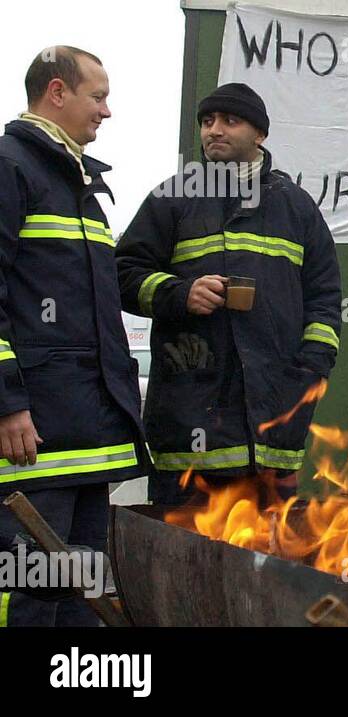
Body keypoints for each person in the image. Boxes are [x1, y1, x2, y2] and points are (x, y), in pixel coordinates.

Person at [117, 83, 342, 506]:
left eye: (229, 121)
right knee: (182, 562)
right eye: (207, 121)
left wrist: (309, 373)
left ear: (259, 135)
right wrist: (179, 294)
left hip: (274, 430)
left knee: (268, 566)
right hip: (189, 434)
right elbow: (122, 275)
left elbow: (325, 298)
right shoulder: (173, 198)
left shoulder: (296, 207)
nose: (214, 130)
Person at [0, 46, 148, 626]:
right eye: (98, 96)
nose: (106, 112)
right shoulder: (12, 167)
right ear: (57, 92)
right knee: (30, 589)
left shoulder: (79, 182)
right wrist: (9, 403)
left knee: (85, 588)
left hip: (85, 436)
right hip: (34, 435)